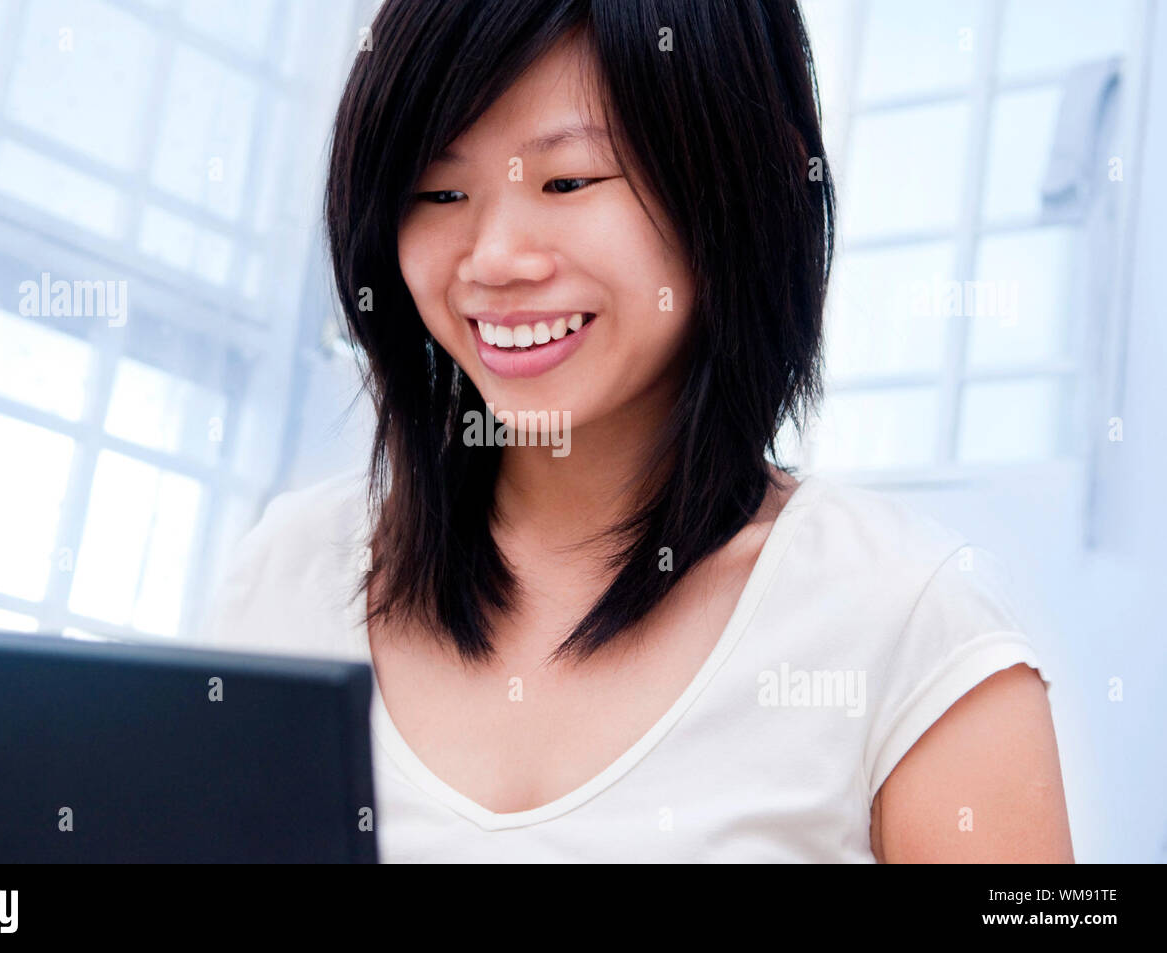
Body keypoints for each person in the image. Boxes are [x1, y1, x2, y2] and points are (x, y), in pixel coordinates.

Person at [199, 0, 1073, 863]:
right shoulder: (291, 573)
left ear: (737, 187)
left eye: (568, 181)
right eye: (440, 190)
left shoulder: (907, 623)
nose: (495, 257)